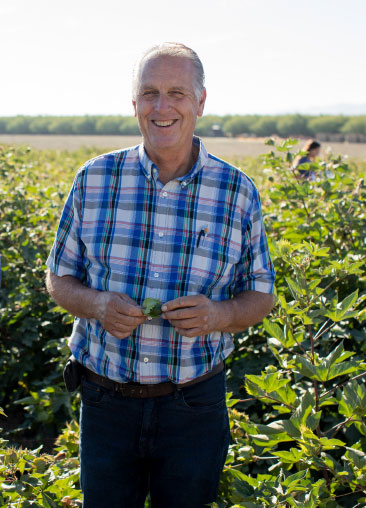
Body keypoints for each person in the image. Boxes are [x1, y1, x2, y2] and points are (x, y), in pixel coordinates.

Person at [44, 42, 275, 507]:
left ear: (201, 102)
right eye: (149, 93)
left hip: (194, 403)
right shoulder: (94, 179)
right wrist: (97, 305)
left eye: (177, 93)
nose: (162, 107)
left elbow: (261, 294)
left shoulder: (236, 192)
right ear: (134, 105)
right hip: (106, 400)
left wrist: (218, 313)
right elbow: (58, 277)